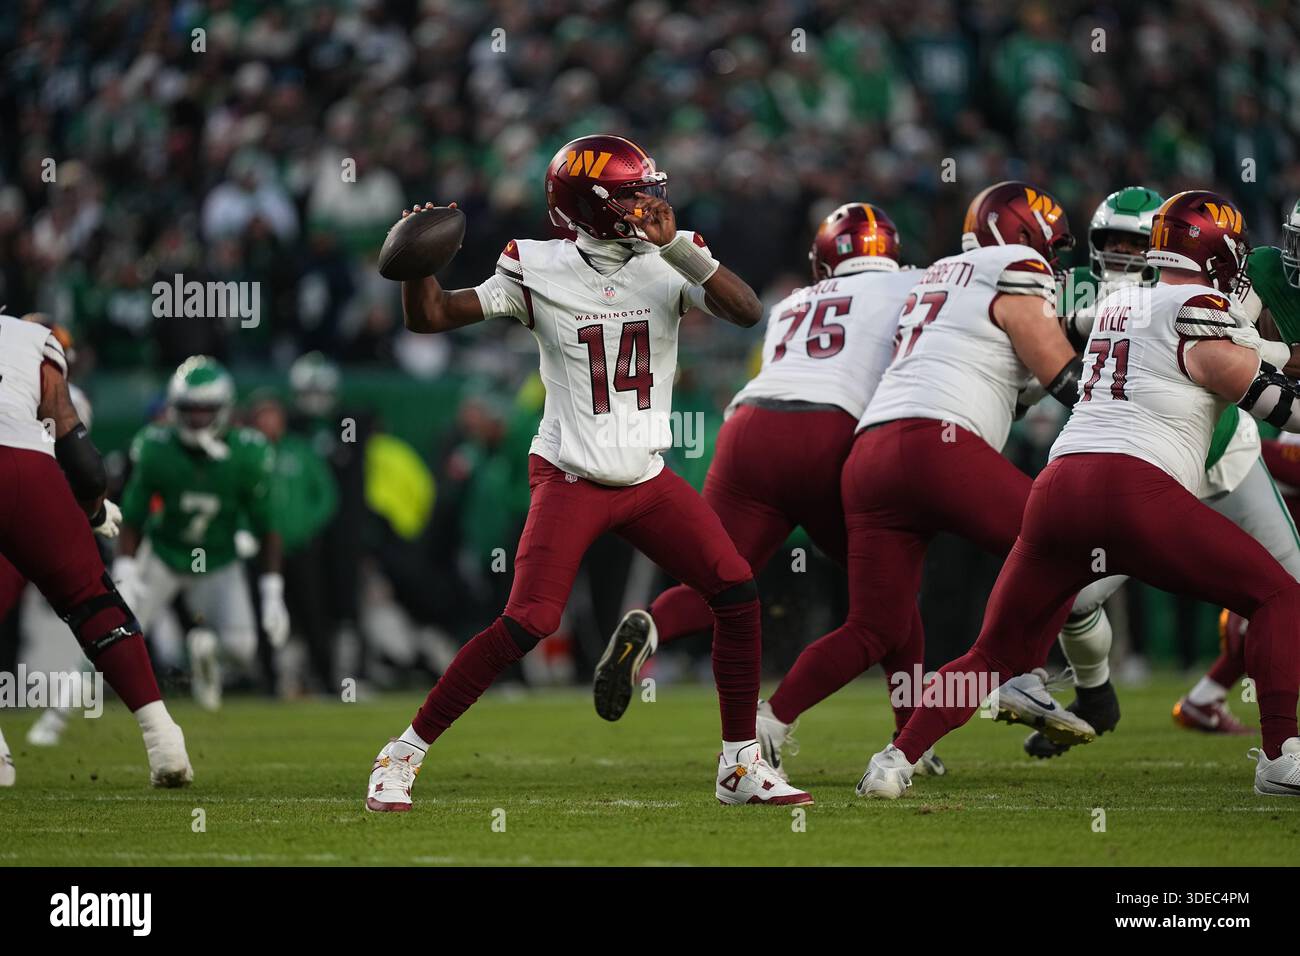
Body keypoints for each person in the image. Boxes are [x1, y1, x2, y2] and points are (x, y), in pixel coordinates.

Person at [365, 133, 812, 811]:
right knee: (529, 622)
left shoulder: (670, 256)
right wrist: (418, 265)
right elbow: (430, 316)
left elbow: (748, 312)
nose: (650, 202)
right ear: (595, 206)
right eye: (634, 192)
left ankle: (738, 764)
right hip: (572, 474)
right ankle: (401, 754)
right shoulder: (535, 266)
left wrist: (677, 250)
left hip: (647, 477)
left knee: (736, 589)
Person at [860, 190, 1300, 799]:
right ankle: (1281, 757)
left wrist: (1276, 354)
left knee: (993, 652)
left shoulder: (1117, 304)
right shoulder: (1199, 307)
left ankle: (894, 761)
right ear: (1222, 251)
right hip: (1137, 489)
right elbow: (1271, 399)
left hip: (1060, 486)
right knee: (1279, 594)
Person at [589, 201, 944, 776]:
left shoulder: (794, 303)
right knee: (888, 603)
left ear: (824, 258)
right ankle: (851, 728)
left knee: (720, 580)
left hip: (749, 428)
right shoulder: (915, 286)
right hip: (829, 430)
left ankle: (653, 623)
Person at [751, 181, 1096, 774]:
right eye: (1051, 243)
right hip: (940, 447)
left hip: (872, 453)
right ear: (1022, 234)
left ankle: (768, 721)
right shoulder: (1016, 265)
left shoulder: (940, 275)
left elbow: (1007, 389)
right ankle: (1019, 675)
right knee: (1065, 549)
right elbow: (1063, 381)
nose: (1056, 259)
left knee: (873, 626)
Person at [1013, 187, 1300, 755]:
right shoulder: (1167, 296)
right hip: (1159, 468)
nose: (1125, 255)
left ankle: (1237, 714)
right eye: (1115, 244)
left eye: (1135, 242)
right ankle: (1098, 698)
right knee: (1075, 600)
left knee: (1290, 595)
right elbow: (1234, 347)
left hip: (1229, 458)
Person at [0, 312, 190, 787]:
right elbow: (80, 457)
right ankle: (162, 737)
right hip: (24, 467)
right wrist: (93, 509)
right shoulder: (29, 340)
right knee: (92, 599)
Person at [114, 356, 288, 710]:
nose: (196, 419)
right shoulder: (156, 445)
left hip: (219, 557)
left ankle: (205, 655)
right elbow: (131, 516)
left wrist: (272, 592)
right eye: (188, 409)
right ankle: (61, 710)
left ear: (224, 409)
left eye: (205, 410)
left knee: (242, 650)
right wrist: (125, 569)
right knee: (117, 632)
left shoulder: (248, 451)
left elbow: (268, 528)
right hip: (164, 552)